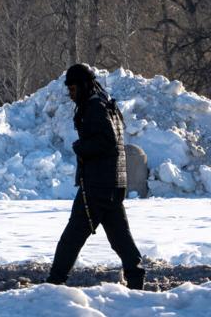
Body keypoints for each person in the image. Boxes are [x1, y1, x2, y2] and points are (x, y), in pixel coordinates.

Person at [46, 64, 146, 290]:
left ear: (83, 86)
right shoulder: (107, 104)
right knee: (120, 238)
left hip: (98, 185)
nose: (71, 95)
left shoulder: (94, 108)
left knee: (72, 236)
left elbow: (107, 141)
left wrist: (80, 147)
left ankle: (54, 282)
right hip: (113, 183)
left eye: (73, 89)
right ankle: (136, 278)